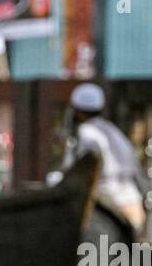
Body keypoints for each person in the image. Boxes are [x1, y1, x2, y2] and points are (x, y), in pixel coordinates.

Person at [56, 83, 146, 233]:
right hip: (133, 204)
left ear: (77, 111)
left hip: (105, 205)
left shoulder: (85, 133)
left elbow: (77, 169)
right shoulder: (113, 131)